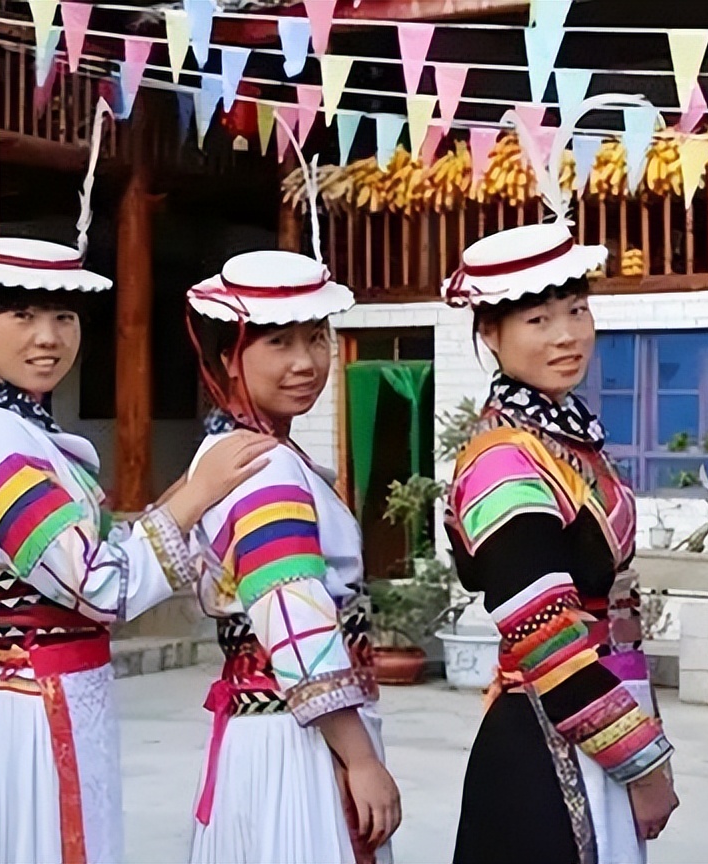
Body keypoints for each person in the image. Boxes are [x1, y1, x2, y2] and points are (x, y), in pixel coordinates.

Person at [0, 100, 273, 864]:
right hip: (24, 715)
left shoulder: (29, 437)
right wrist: (194, 494)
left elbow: (100, 551)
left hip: (57, 699)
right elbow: (99, 586)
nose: (48, 337)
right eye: (22, 316)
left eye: (65, 318)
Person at [442, 96, 679, 864]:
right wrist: (643, 762)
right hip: (547, 742)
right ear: (491, 333)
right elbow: (544, 633)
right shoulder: (505, 462)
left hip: (590, 725)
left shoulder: (568, 440)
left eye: (576, 311)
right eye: (538, 320)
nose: (567, 335)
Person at [183, 135, 400, 864]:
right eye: (278, 342)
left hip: (275, 728)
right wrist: (359, 757)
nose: (306, 362)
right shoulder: (261, 467)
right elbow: (294, 618)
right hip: (295, 736)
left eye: (316, 337)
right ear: (227, 356)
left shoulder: (245, 451)